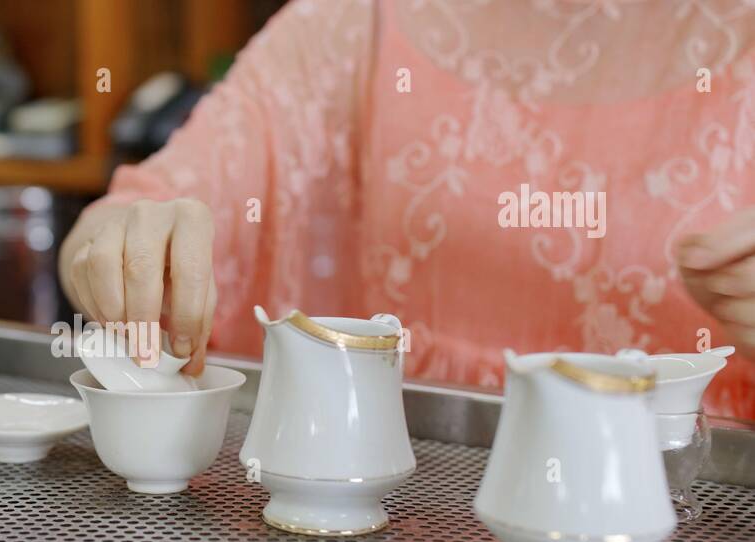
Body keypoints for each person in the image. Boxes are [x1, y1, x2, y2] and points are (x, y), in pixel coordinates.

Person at [59, 0, 755, 419]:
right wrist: (120, 241)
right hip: (397, 526)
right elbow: (147, 203)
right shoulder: (358, 21)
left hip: (698, 539)